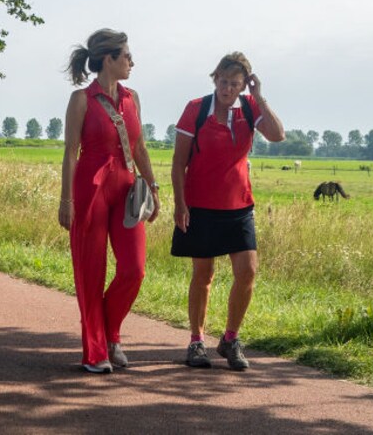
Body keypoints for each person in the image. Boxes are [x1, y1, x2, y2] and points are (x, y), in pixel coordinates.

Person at [171, 52, 284, 371]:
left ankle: (230, 339)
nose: (227, 89)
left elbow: (277, 135)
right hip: (200, 205)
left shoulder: (249, 108)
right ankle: (196, 341)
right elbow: (178, 163)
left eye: (235, 83)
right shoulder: (196, 109)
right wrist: (180, 204)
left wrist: (259, 97)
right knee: (203, 275)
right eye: (223, 81)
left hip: (239, 206)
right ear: (215, 79)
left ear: (244, 84)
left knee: (248, 271)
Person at [58, 29, 160, 374]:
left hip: (127, 189)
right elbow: (71, 152)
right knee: (91, 272)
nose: (132, 62)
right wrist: (66, 199)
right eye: (127, 56)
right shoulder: (81, 99)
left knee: (134, 268)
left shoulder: (133, 98)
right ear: (108, 59)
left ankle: (109, 330)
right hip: (91, 188)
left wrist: (153, 188)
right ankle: (96, 351)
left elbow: (140, 147)